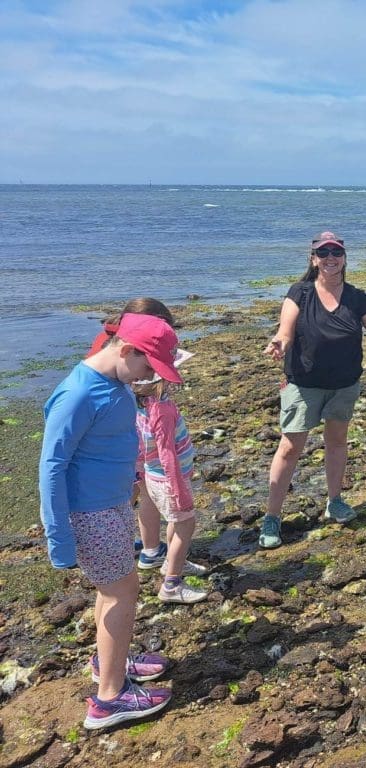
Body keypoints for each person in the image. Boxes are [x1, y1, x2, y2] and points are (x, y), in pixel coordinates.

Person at [40, 313, 177, 729]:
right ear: (127, 350)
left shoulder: (114, 383)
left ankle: (108, 662)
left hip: (112, 504)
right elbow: (51, 466)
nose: (148, 377)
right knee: (122, 593)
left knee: (114, 588)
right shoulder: (79, 394)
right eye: (147, 366)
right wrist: (57, 536)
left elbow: (112, 441)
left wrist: (132, 479)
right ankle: (108, 700)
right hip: (90, 513)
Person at [260, 231, 366, 549]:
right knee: (289, 447)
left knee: (337, 443)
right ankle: (272, 516)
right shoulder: (300, 292)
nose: (330, 258)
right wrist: (279, 343)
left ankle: (335, 500)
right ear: (313, 260)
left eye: (335, 252)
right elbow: (285, 330)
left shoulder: (356, 297)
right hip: (303, 385)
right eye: (323, 253)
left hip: (344, 385)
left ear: (344, 258)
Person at [86, 297, 175, 568]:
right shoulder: (118, 357)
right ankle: (147, 549)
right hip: (134, 430)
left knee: (133, 488)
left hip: (126, 435)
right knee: (141, 488)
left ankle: (124, 541)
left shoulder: (107, 343)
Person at [133, 349, 208, 604]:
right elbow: (167, 453)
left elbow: (142, 447)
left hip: (154, 476)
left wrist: (139, 474)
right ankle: (172, 585)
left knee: (176, 522)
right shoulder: (162, 409)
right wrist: (179, 488)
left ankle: (172, 562)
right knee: (186, 524)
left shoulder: (141, 405)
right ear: (161, 379)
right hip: (168, 479)